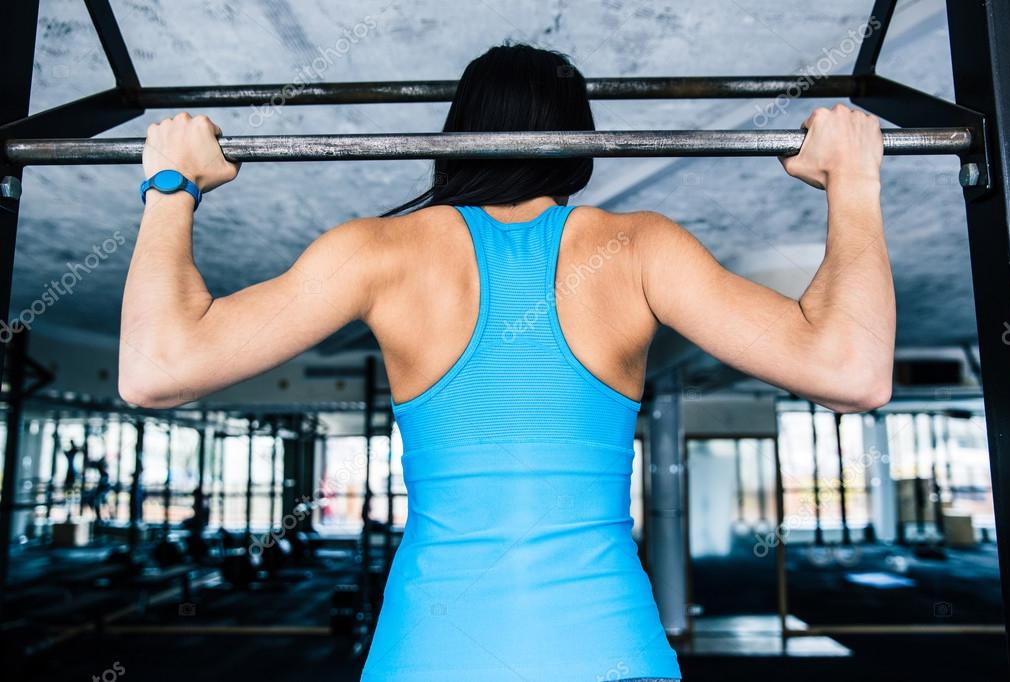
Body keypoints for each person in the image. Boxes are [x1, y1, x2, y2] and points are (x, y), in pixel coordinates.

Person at [119, 44, 893, 682]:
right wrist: (851, 183)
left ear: (456, 135)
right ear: (580, 145)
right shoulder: (638, 249)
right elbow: (850, 372)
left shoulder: (373, 254)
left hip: (427, 657)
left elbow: (156, 369)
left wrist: (171, 185)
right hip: (607, 654)